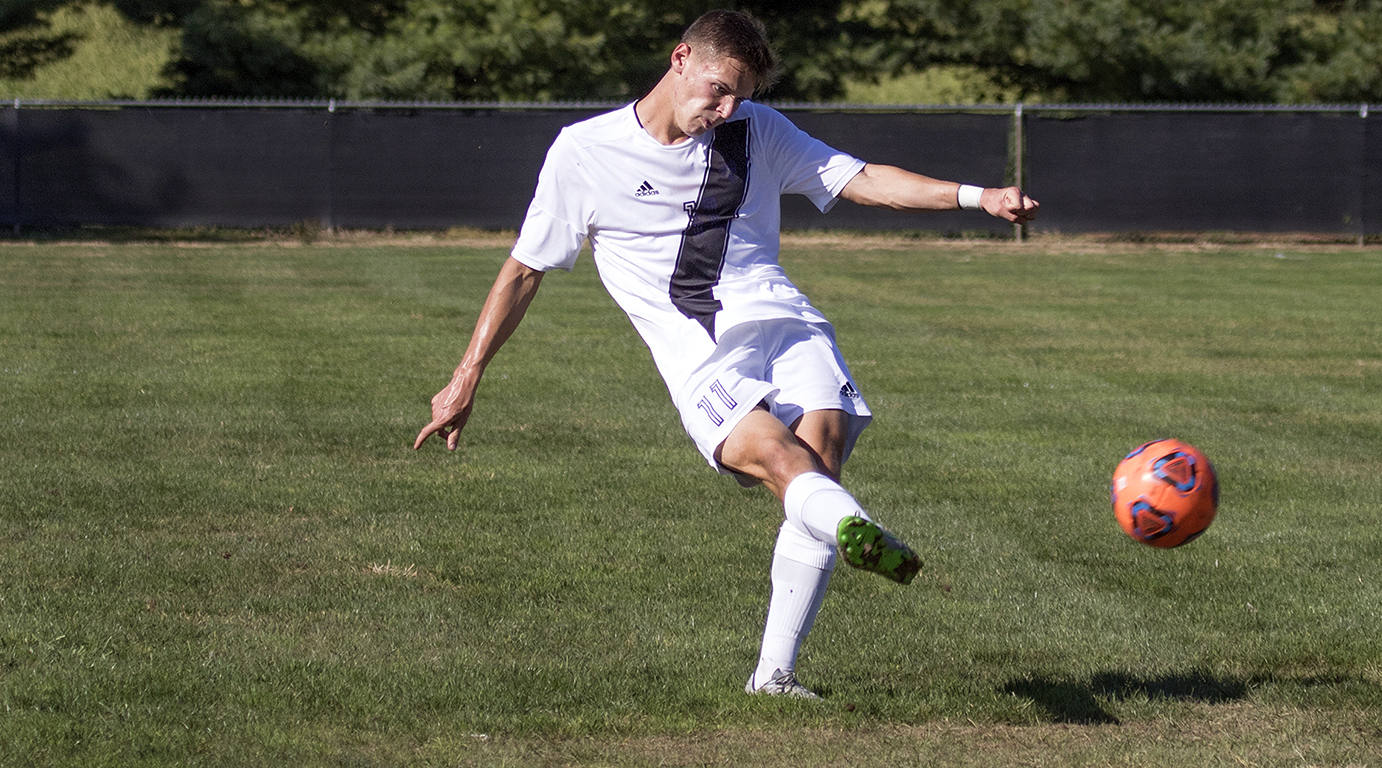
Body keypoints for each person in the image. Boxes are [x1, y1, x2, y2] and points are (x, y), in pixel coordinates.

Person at [412, 9, 1039, 699]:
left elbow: (859, 178)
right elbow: (524, 270)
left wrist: (980, 197)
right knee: (780, 461)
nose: (725, 107)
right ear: (680, 58)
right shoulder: (584, 152)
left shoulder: (756, 129)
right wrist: (465, 376)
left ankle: (775, 675)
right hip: (700, 347)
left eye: (738, 95)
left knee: (818, 456)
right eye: (717, 88)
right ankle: (853, 527)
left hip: (786, 320)